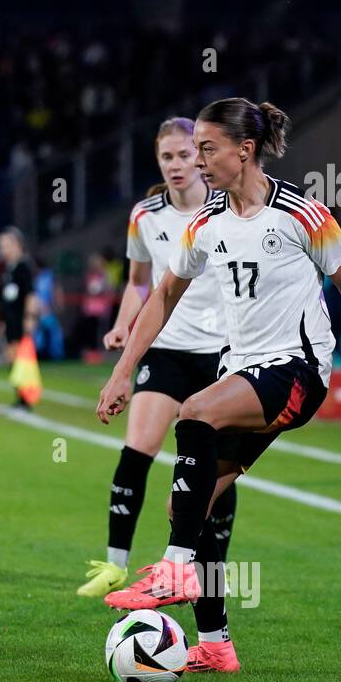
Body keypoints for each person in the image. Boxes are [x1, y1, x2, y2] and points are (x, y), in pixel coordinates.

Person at [95, 98, 341, 674]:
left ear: (245, 150)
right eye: (193, 151)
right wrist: (123, 373)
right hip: (242, 369)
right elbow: (163, 295)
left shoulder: (302, 214)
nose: (198, 160)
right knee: (190, 505)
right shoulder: (205, 223)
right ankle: (216, 644)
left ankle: (173, 569)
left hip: (298, 370)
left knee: (193, 414)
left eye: (207, 149)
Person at [78, 117, 237, 599]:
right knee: (137, 449)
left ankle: (210, 577)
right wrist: (126, 325)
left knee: (218, 468)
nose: (176, 165)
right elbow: (137, 284)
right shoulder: (145, 214)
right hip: (166, 350)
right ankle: (115, 566)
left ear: (201, 156)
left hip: (220, 355)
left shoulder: (225, 211)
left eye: (185, 155)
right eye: (166, 157)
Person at [0, 226, 37, 407]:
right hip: (10, 320)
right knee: (11, 358)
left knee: (21, 360)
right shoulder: (9, 269)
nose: (2, 250)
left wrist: (29, 317)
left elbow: (30, 294)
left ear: (17, 245)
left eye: (6, 245)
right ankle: (20, 397)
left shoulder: (24, 267)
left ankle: (25, 399)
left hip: (20, 320)